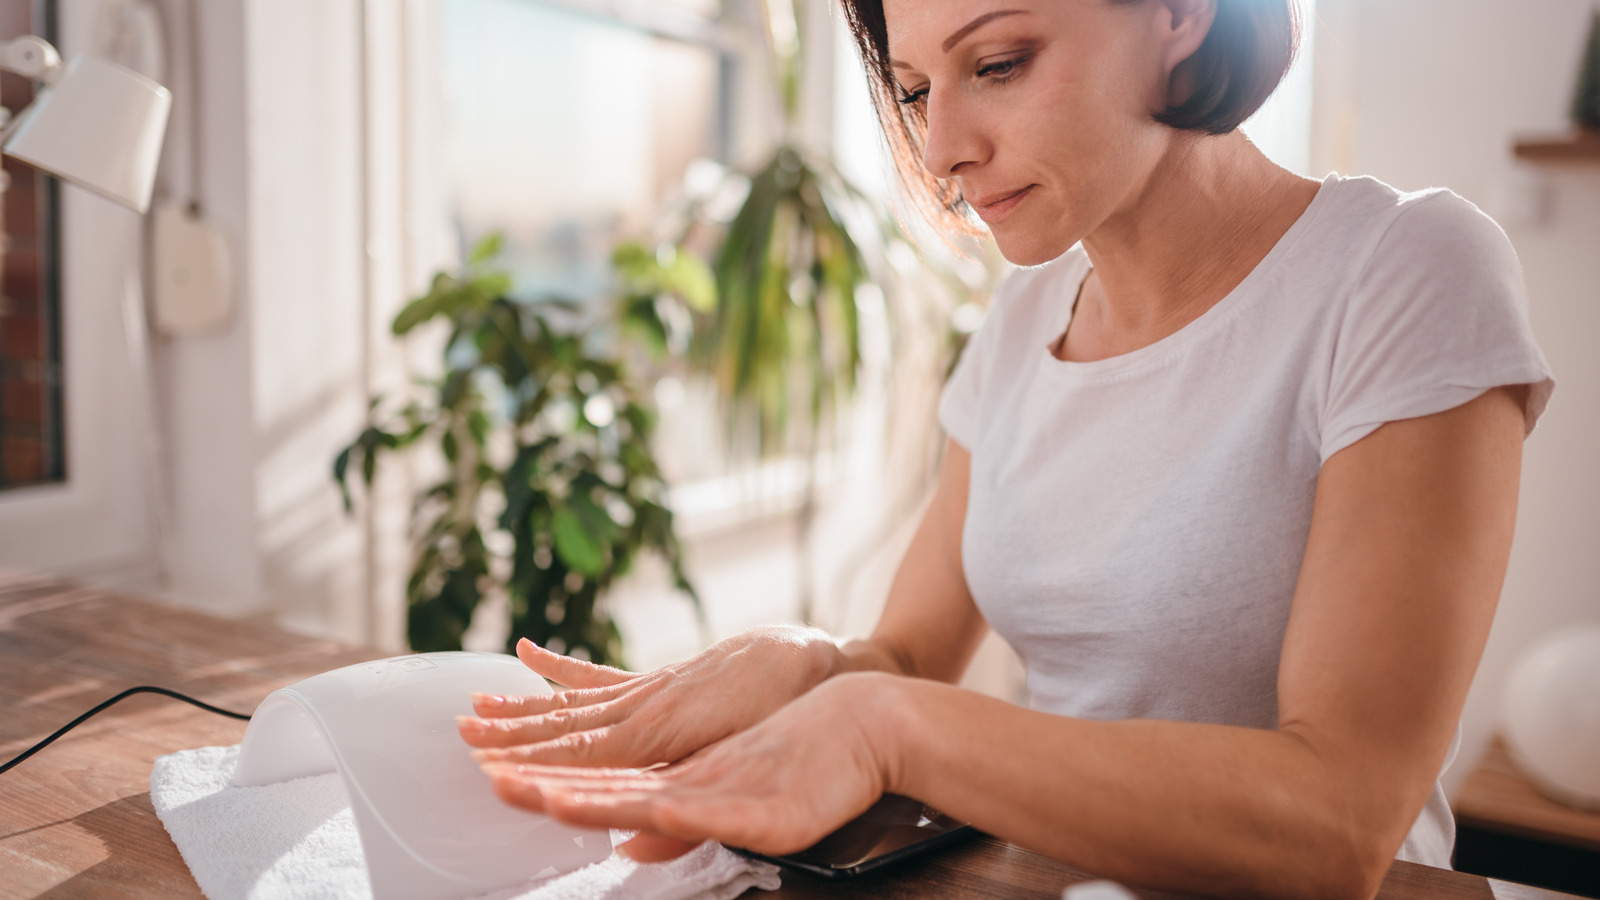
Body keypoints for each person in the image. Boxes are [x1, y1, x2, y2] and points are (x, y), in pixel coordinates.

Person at [457, 1, 1555, 896]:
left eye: (999, 61)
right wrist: (802, 661)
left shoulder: (1403, 270)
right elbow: (904, 658)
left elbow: (1341, 820)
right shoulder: (1021, 321)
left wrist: (889, 726)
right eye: (919, 89)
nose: (939, 150)